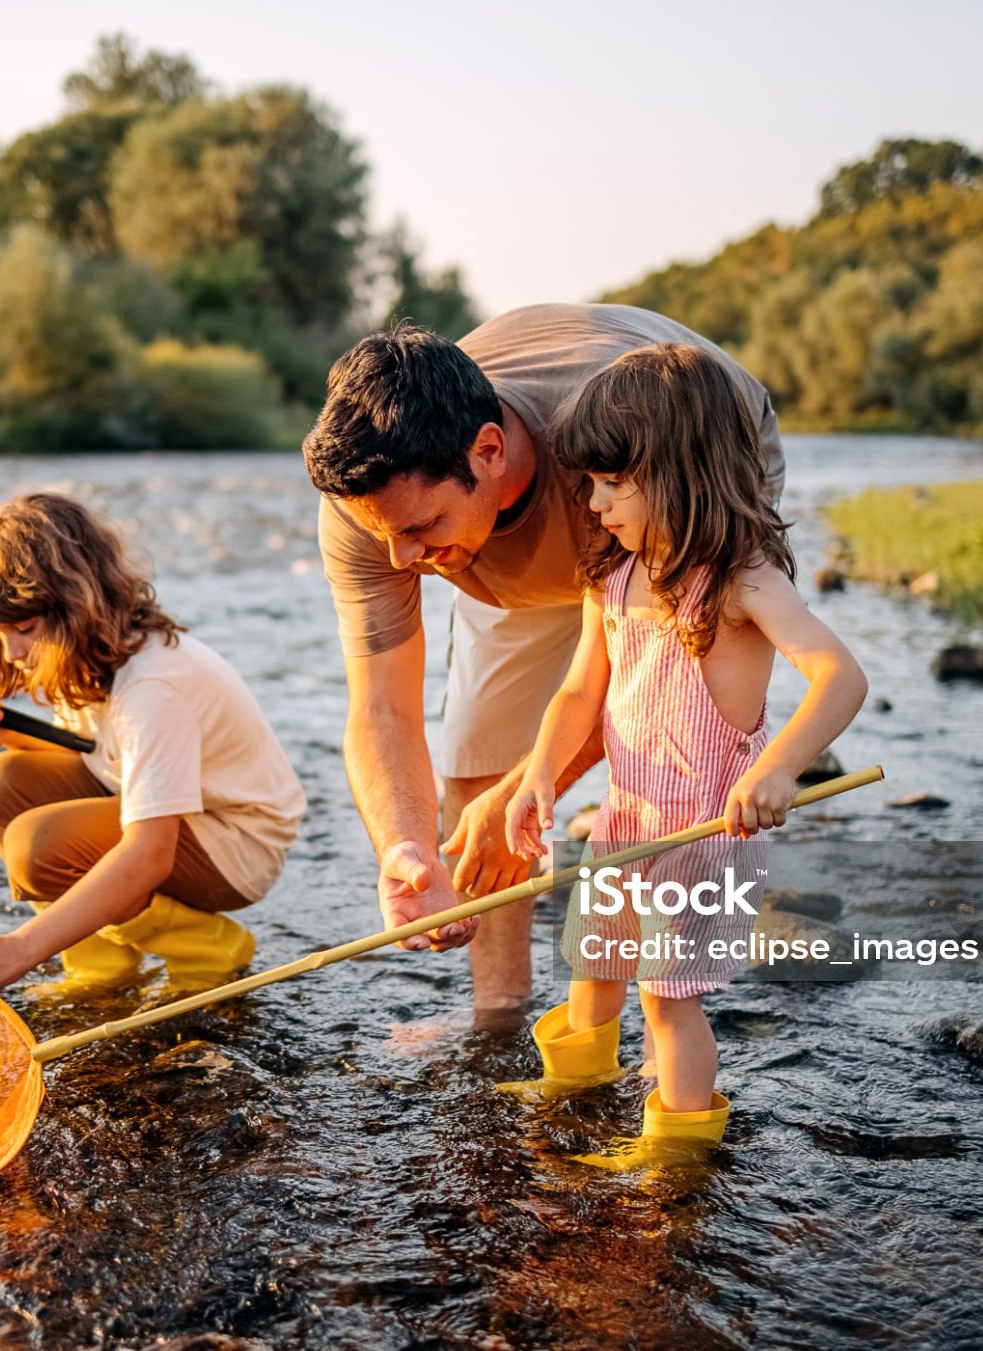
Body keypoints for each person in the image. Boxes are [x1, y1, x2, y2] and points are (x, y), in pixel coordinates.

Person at [302, 304, 787, 1024]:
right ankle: (497, 1016)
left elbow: (639, 698)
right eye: (385, 536)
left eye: (420, 529)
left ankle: (669, 1025)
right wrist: (404, 848)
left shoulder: (630, 459)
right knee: (477, 771)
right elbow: (380, 708)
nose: (402, 561)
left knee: (668, 745)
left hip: (700, 448)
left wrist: (538, 781)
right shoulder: (369, 505)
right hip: (517, 540)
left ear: (488, 452)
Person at [502, 343, 866, 1156]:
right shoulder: (614, 579)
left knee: (668, 1001)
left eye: (610, 482)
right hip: (626, 820)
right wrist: (536, 781)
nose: (592, 504)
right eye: (588, 484)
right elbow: (576, 695)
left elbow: (840, 677)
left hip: (705, 837)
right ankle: (574, 1091)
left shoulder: (744, 580)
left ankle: (678, 1146)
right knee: (593, 965)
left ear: (677, 469)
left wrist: (776, 770)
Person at [0, 493, 305, 991]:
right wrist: (5, 733)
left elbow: (149, 853)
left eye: (23, 628)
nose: (11, 652)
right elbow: (104, 757)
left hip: (234, 844)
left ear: (77, 606)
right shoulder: (95, 653)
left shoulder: (152, 686)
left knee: (37, 846)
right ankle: (101, 962)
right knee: (2, 786)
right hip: (178, 815)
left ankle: (205, 945)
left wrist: (22, 947)